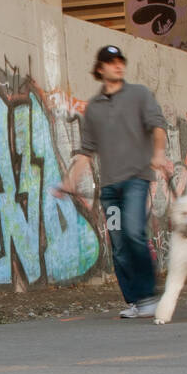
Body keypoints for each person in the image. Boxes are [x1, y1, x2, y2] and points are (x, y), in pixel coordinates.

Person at [54, 45, 174, 318]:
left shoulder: (139, 94)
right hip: (110, 190)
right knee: (119, 243)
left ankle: (148, 295)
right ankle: (134, 300)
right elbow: (86, 151)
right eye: (111, 62)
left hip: (135, 181)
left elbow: (157, 126)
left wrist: (158, 153)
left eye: (121, 61)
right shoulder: (93, 108)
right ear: (100, 69)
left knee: (133, 232)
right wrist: (70, 182)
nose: (118, 65)